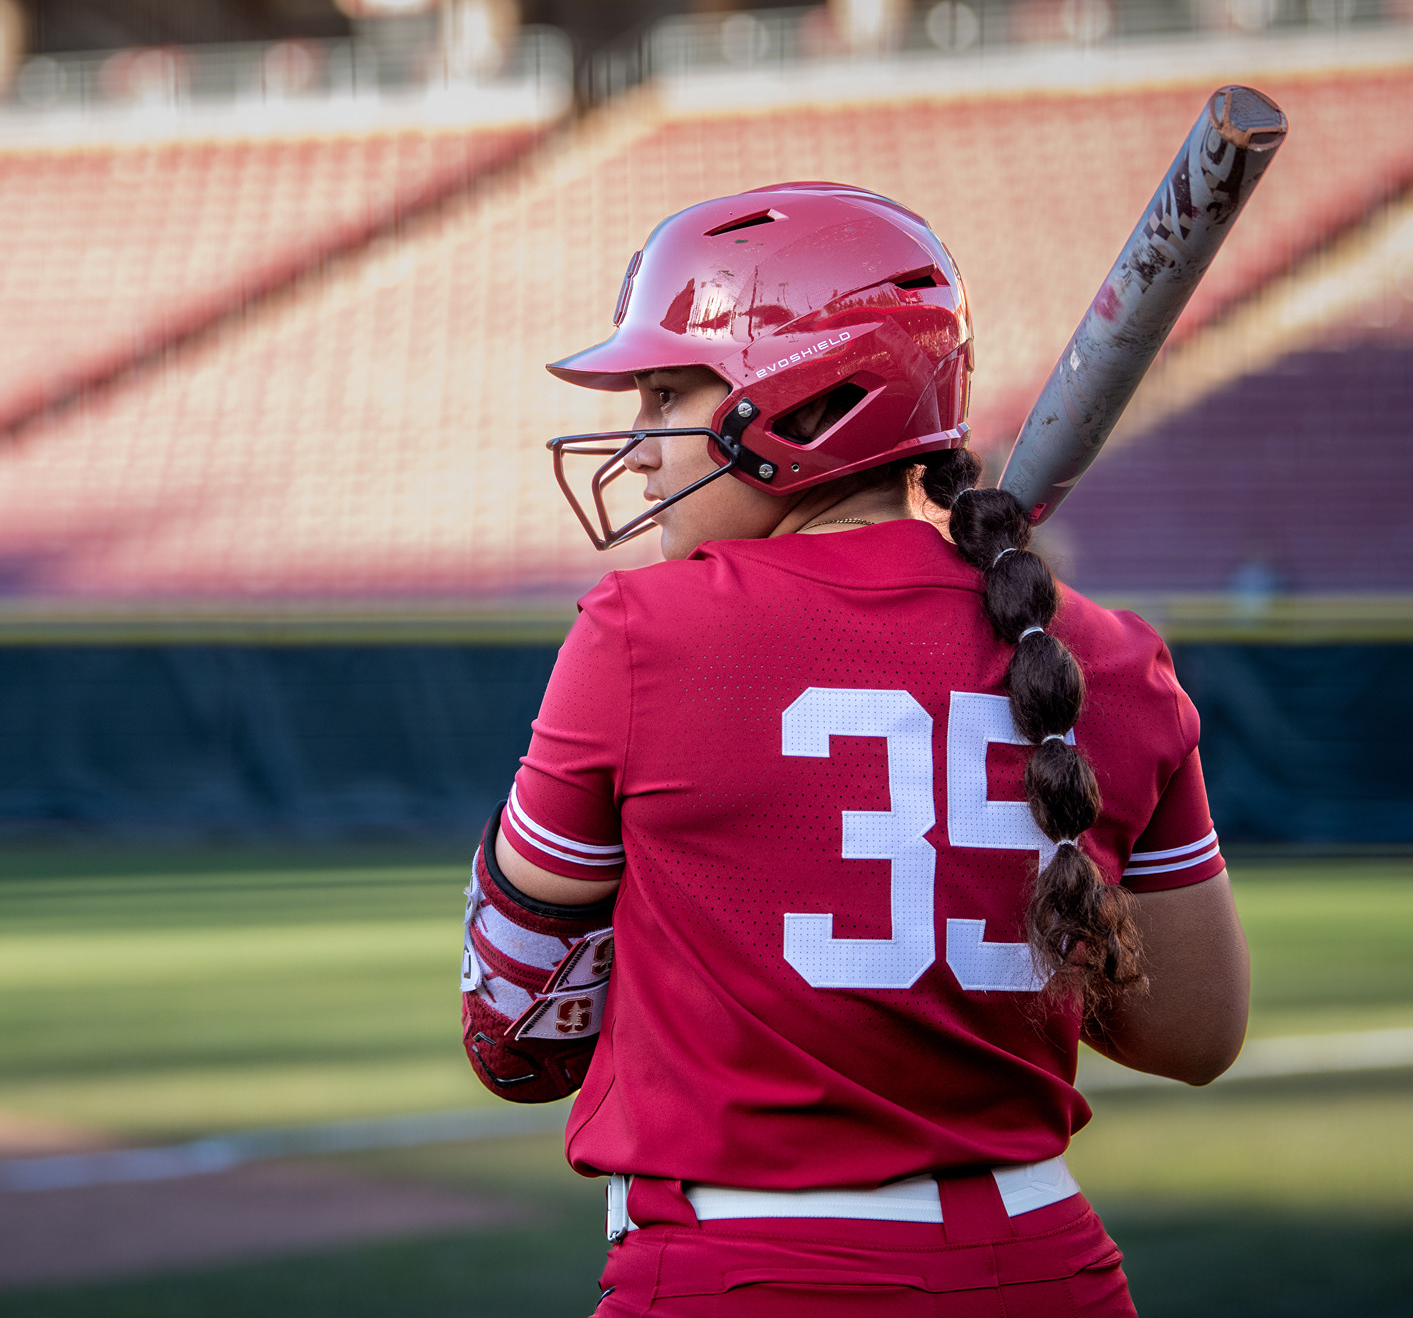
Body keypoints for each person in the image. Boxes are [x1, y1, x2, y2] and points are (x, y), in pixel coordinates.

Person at [457, 182, 1251, 1316]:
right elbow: (1195, 1034)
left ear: (806, 401)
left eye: (666, 393)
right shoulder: (1110, 661)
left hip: (744, 1275)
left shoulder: (642, 635)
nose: (637, 448)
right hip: (1046, 1270)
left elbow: (516, 1039)